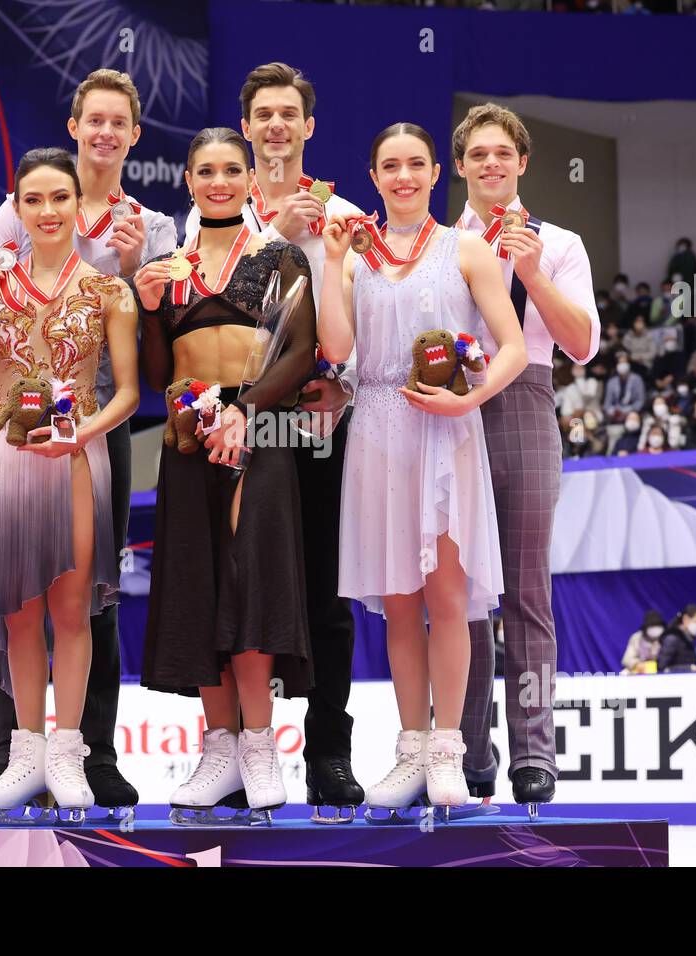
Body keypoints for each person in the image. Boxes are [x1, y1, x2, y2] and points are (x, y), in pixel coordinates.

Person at [0, 70, 176, 813]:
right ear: (74, 126)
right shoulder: (16, 208)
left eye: (118, 122)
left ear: (133, 135)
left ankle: (92, 753)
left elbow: (154, 350)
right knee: (17, 594)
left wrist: (128, 270)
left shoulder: (152, 228)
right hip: (19, 429)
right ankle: (12, 750)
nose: (105, 133)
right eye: (94, 120)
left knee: (91, 595)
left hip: (94, 427)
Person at [320, 119, 527, 815]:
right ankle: (409, 750)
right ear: (373, 178)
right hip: (377, 427)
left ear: (437, 173)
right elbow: (336, 346)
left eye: (416, 164)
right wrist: (327, 262)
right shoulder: (355, 256)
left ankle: (448, 754)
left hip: (446, 433)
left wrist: (468, 394)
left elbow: (513, 348)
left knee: (446, 599)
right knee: (400, 604)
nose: (403, 176)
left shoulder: (465, 248)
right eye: (390, 166)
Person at [180, 62, 367, 816]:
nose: (277, 126)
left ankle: (328, 748)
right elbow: (202, 310)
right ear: (248, 124)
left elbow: (368, 322)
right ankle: (238, 749)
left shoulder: (342, 211)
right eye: (264, 114)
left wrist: (346, 384)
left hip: (310, 421)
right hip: (230, 420)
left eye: (290, 113)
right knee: (229, 586)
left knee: (323, 588)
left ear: (309, 126)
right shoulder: (212, 210)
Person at [135, 127, 316, 822]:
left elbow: (302, 352)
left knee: (252, 578)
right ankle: (217, 749)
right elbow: (157, 375)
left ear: (248, 179)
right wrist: (150, 311)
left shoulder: (280, 256)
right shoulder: (167, 266)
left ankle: (261, 746)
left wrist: (245, 406)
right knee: (198, 582)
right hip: (185, 447)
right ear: (186, 179)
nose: (218, 181)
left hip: (260, 435)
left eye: (230, 170)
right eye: (205, 170)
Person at [0, 147, 139, 820]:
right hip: (5, 459)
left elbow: (127, 393)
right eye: (33, 200)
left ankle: (70, 753)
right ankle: (24, 751)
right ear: (16, 208)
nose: (48, 211)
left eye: (59, 198)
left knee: (72, 609)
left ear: (75, 206)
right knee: (19, 613)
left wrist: (83, 436)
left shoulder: (108, 289)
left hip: (73, 458)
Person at [450, 104, 599, 812]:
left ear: (523, 162)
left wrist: (533, 273)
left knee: (527, 593)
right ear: (460, 167)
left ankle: (535, 753)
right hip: (455, 409)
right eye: (477, 155)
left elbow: (582, 344)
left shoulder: (561, 243)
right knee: (462, 595)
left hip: (528, 408)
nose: (490, 165)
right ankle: (471, 749)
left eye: (502, 153)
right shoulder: (438, 245)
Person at [658, 605, 696, 673]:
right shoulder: (672, 638)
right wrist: (688, 668)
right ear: (685, 619)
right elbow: (662, 667)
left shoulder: (688, 638)